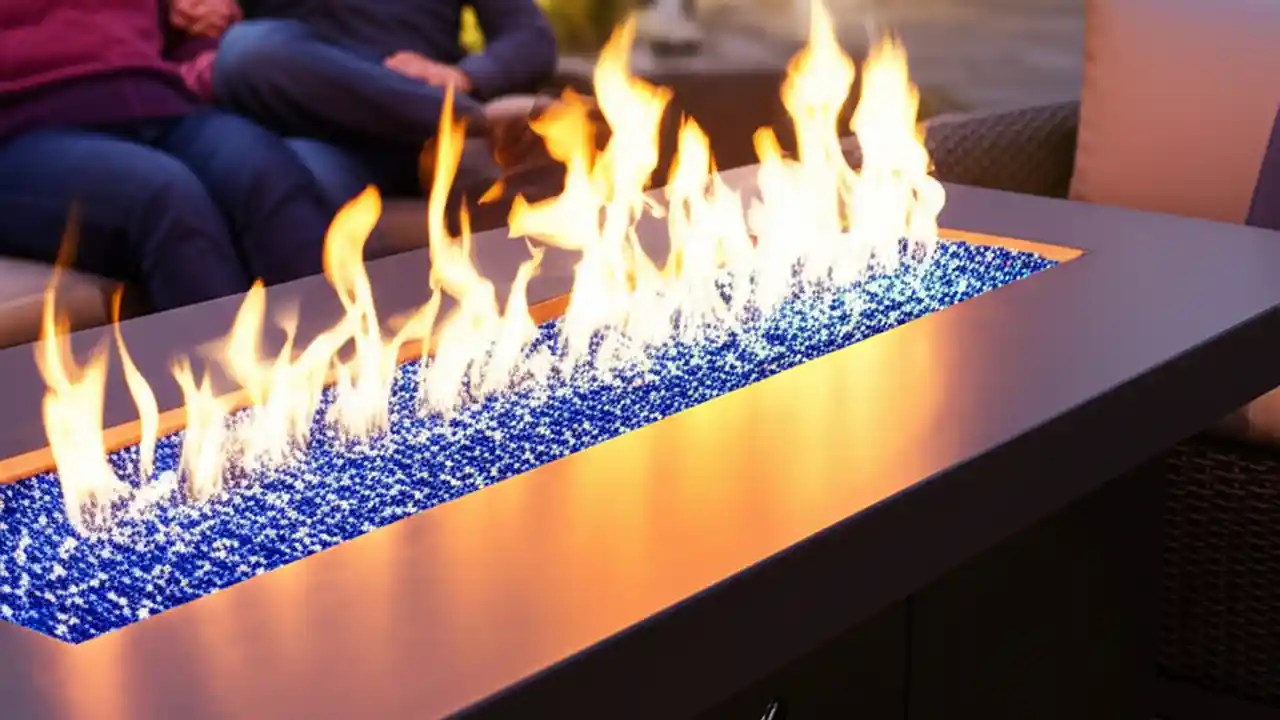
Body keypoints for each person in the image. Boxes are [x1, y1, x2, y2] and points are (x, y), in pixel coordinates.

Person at [0, 0, 335, 311]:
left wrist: (206, 32)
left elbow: (190, 29)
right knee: (165, 197)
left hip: (159, 101)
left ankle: (340, 368)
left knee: (264, 170)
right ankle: (226, 374)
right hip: (22, 126)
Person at [208, 0, 561, 207]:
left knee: (308, 179)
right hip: (309, 124)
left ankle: (450, 114)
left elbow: (530, 37)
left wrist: (462, 77)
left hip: (406, 137)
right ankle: (463, 117)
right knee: (248, 53)